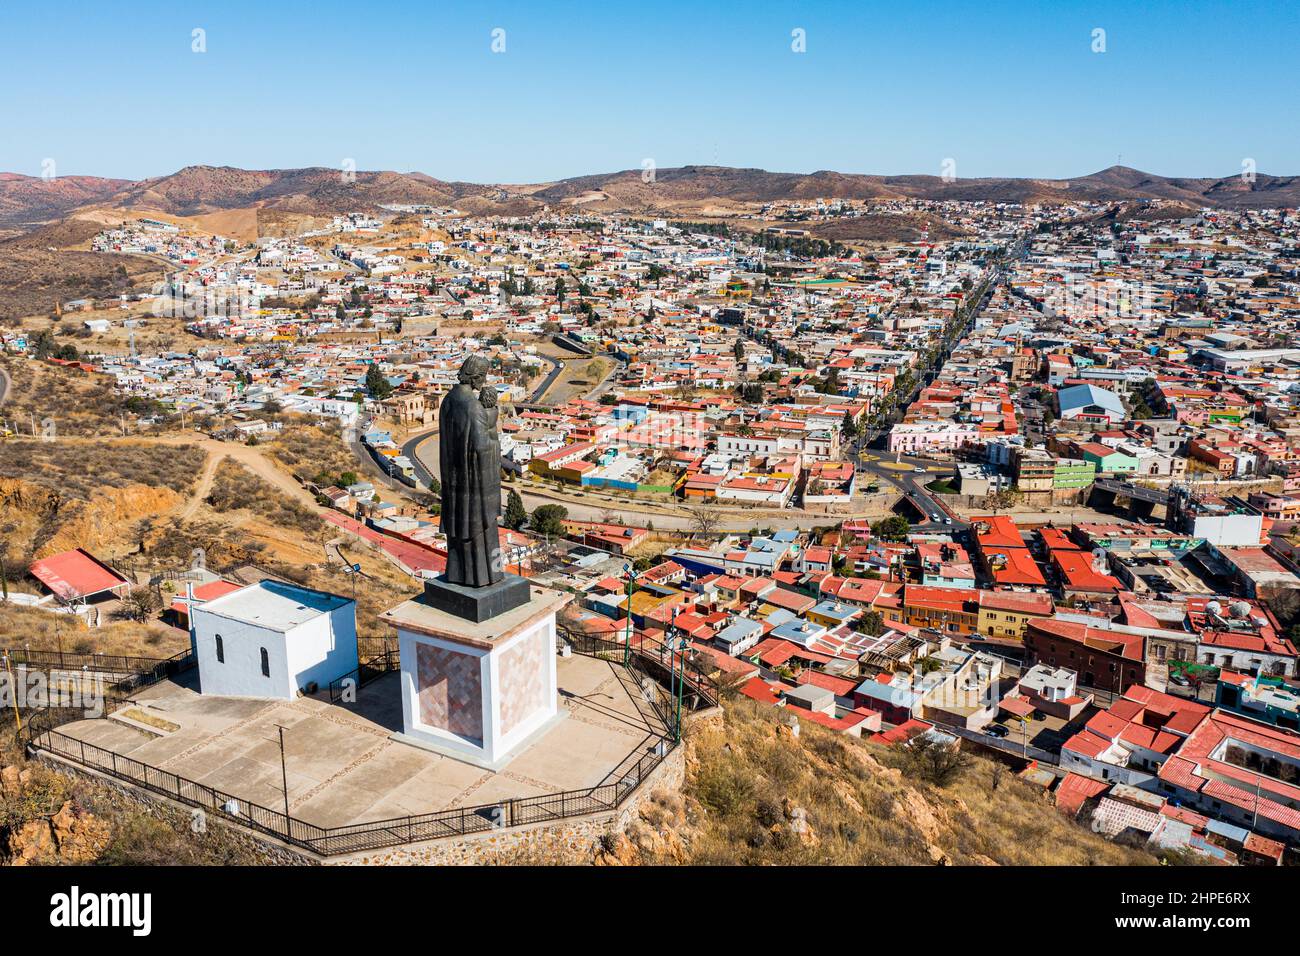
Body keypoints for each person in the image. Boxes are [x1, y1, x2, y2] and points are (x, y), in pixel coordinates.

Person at [438, 356, 503, 587]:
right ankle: (483, 578)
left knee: (458, 537)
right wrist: (496, 442)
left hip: (455, 485)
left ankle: (457, 575)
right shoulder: (473, 407)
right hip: (474, 489)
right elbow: (482, 448)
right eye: (483, 377)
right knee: (482, 536)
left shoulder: (448, 400)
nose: (483, 381)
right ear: (475, 377)